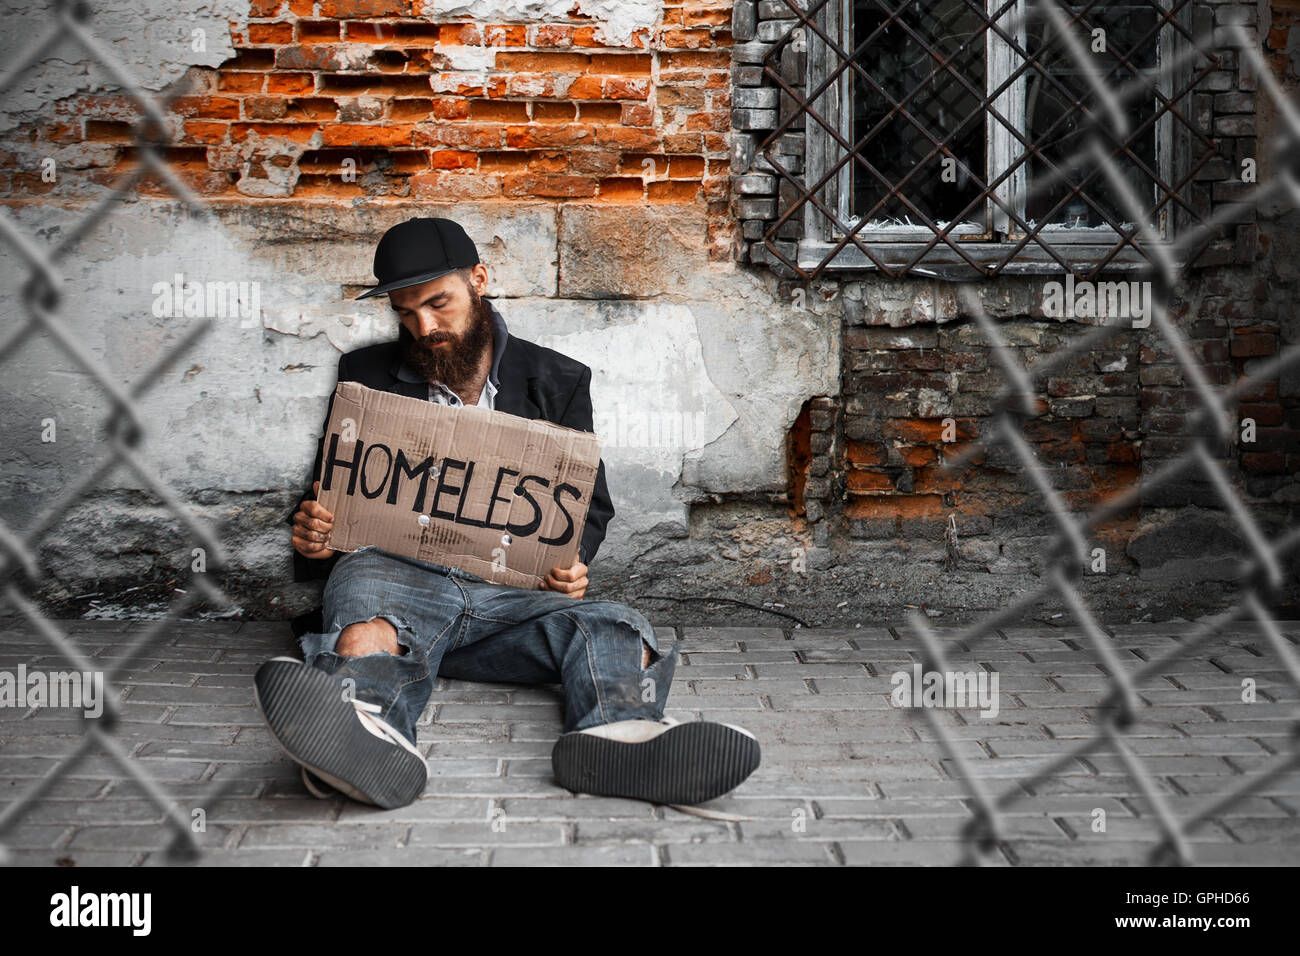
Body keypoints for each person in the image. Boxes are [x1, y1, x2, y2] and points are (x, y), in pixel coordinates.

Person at [255, 217, 760, 810]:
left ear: (479, 279)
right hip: (398, 585)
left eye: (439, 303)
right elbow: (334, 488)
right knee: (368, 629)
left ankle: (622, 737)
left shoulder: (558, 380)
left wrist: (571, 561)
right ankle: (361, 736)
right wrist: (314, 534)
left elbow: (587, 503)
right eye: (405, 312)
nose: (424, 327)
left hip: (508, 599)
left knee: (615, 626)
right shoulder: (365, 375)